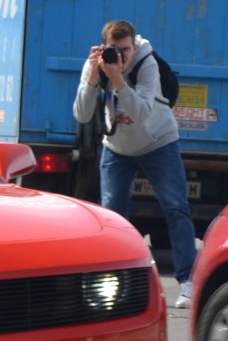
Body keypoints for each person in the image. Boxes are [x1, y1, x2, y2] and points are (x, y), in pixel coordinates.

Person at [73, 20, 197, 308]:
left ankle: (188, 281)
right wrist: (93, 76)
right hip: (117, 146)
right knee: (112, 214)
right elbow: (81, 114)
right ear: (105, 47)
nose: (122, 56)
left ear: (134, 45)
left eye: (127, 49)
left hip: (159, 142)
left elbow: (141, 113)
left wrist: (118, 80)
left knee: (176, 207)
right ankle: (113, 281)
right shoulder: (97, 63)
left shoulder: (147, 64)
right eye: (116, 50)